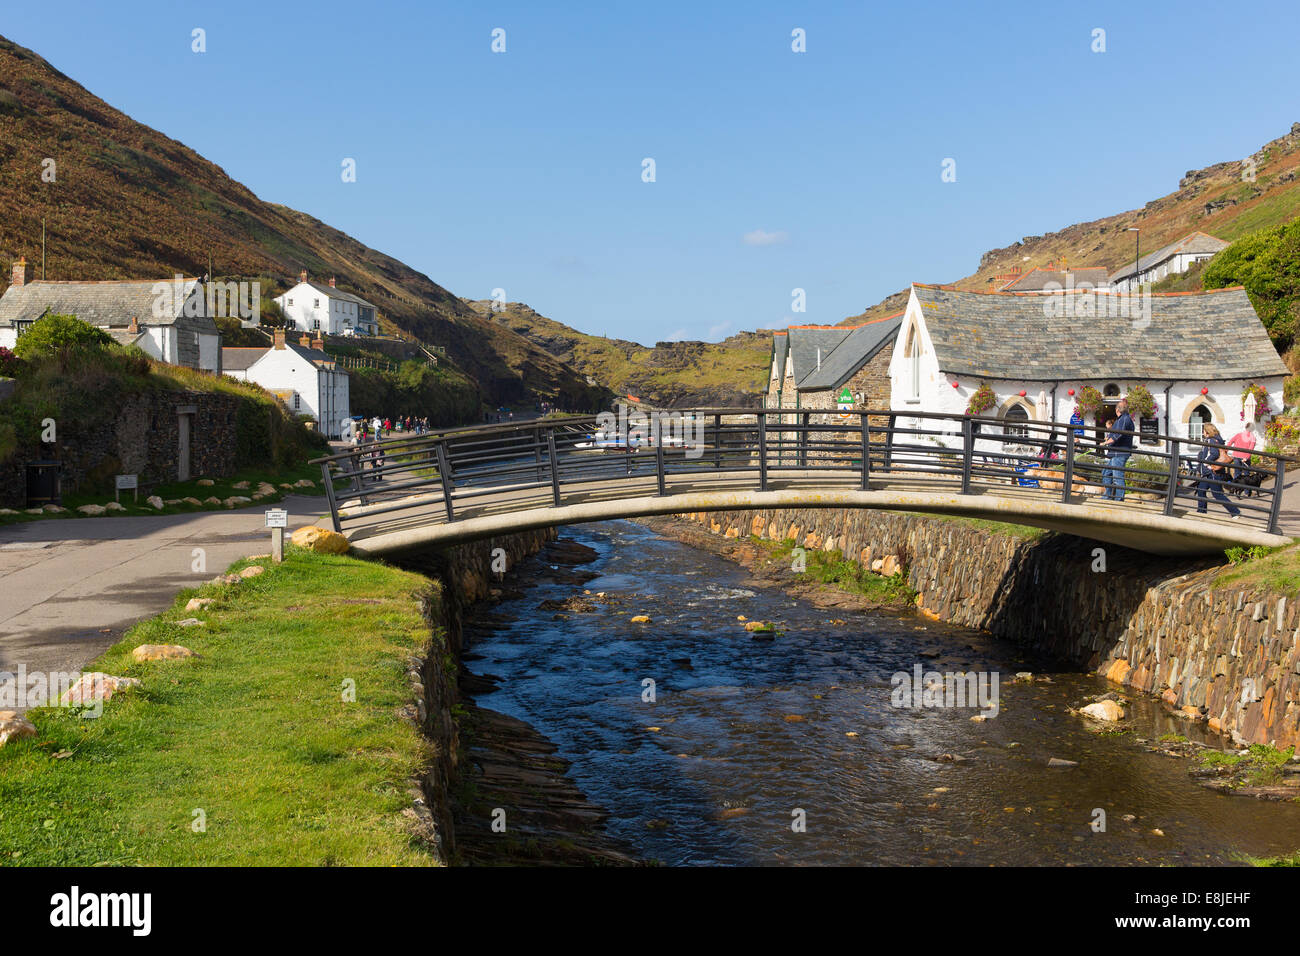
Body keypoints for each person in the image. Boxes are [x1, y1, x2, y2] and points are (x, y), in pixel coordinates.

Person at [1195, 423, 1241, 518]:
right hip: (1208, 472)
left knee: (1217, 494)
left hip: (1212, 472)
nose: (1203, 433)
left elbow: (1214, 453)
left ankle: (1235, 512)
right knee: (1201, 490)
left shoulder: (1211, 440)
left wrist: (1205, 462)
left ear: (1207, 431)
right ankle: (1201, 512)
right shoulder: (1216, 440)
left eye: (1203, 431)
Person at [1100, 400, 1134, 501]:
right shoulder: (1123, 419)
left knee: (1117, 476)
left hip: (1119, 452)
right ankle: (1108, 495)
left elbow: (1118, 434)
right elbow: (1117, 433)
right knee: (1106, 473)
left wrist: (1106, 442)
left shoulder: (1124, 419)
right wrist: (1109, 439)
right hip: (1116, 452)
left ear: (1117, 410)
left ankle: (1119, 500)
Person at [1226, 422, 1259, 491]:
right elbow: (1251, 449)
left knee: (1237, 474)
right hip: (1245, 458)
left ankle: (1234, 489)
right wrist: (1246, 458)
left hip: (1236, 456)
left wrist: (1226, 450)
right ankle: (1247, 492)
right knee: (1246, 475)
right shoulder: (1252, 438)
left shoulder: (1239, 435)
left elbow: (1230, 442)